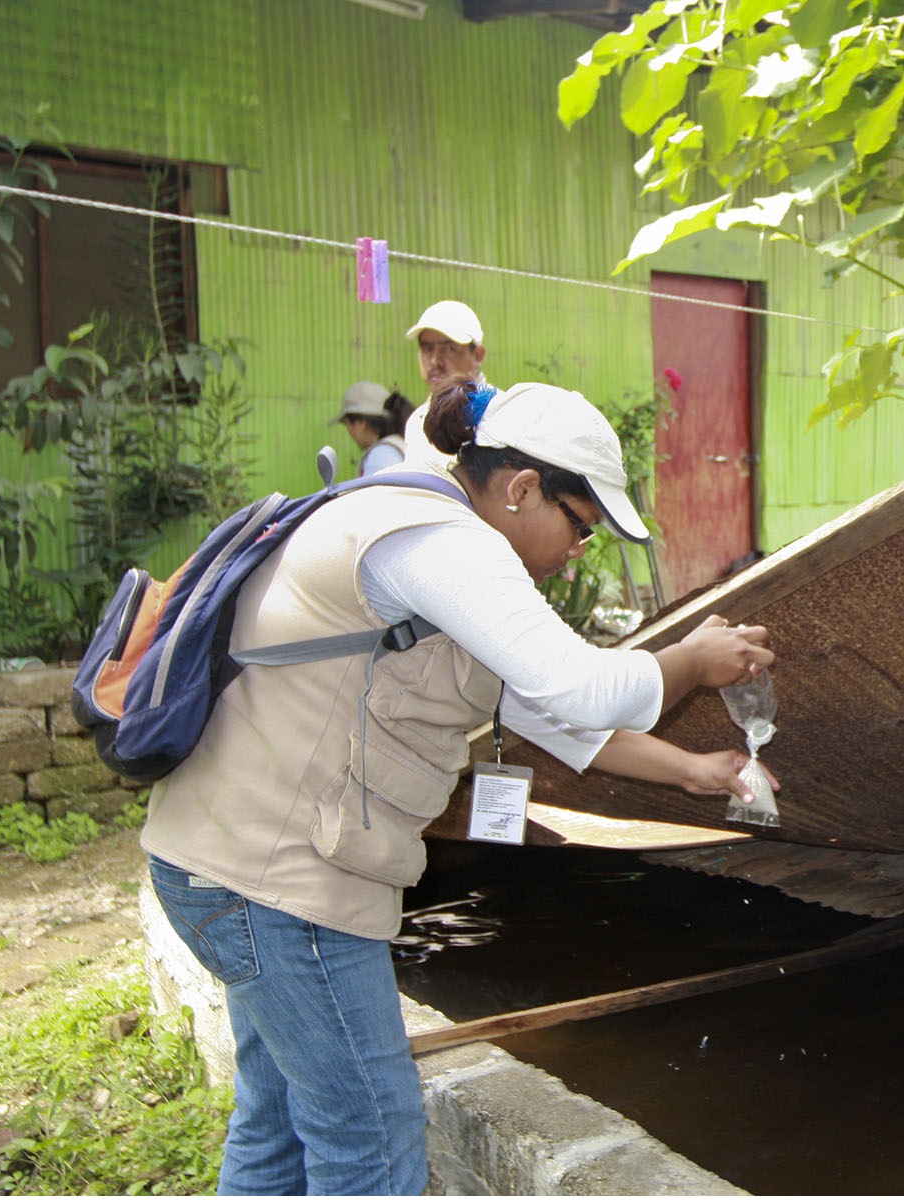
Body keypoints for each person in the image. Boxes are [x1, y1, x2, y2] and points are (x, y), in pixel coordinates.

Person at [141, 377, 776, 1195]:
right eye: (580, 525)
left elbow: (558, 716)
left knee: (279, 1120)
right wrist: (690, 659)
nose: (582, 549)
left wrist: (694, 770)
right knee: (370, 1136)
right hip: (279, 888)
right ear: (521, 489)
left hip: (228, 864)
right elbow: (579, 684)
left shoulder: (440, 544)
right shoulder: (435, 539)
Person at [402, 299, 489, 470]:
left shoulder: (497, 413)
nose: (435, 361)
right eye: (427, 349)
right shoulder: (417, 421)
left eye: (449, 349)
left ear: (478, 356)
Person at [329, 379, 415, 476]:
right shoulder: (403, 445)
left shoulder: (380, 456)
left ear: (361, 422)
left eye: (347, 424)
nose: (349, 432)